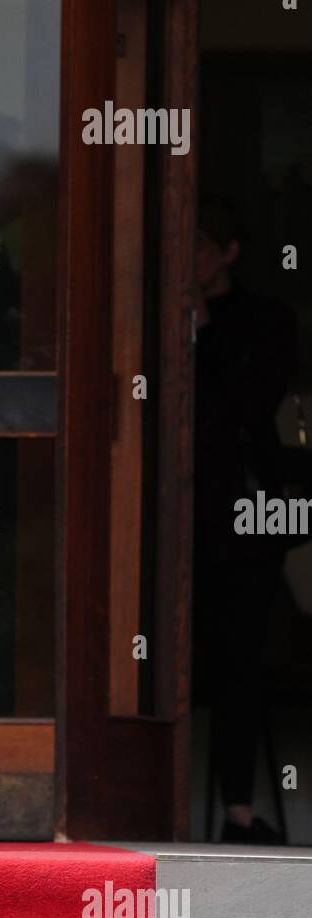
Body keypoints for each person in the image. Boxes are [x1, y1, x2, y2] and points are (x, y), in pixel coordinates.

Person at [193, 197, 298, 844]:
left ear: (227, 251)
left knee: (240, 656)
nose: (187, 258)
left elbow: (243, 408)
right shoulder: (152, 306)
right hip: (165, 515)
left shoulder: (264, 319)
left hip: (240, 516)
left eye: (200, 244)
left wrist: (202, 334)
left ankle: (236, 810)